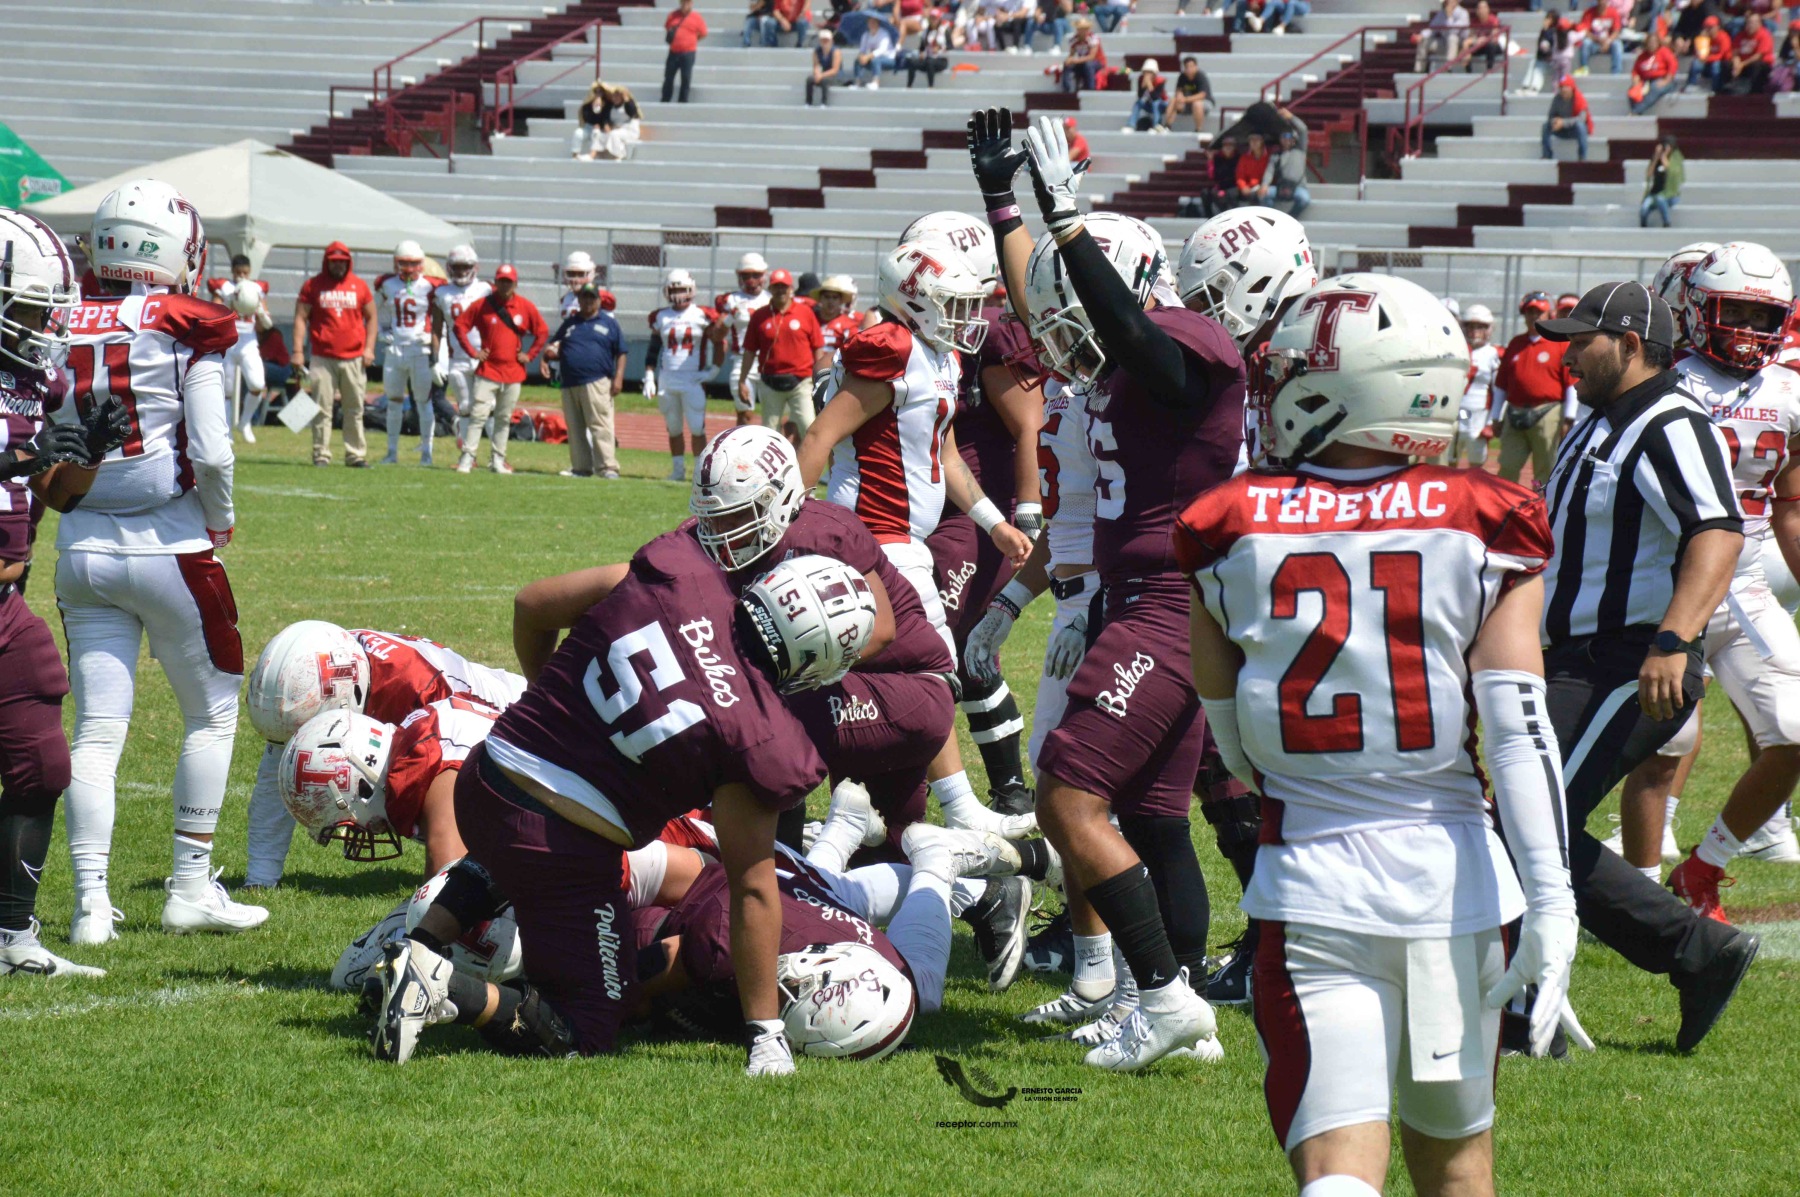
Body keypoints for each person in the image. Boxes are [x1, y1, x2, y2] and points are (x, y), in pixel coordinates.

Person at [1179, 272, 1587, 1195]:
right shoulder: (1484, 518)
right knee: (1456, 1172)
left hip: (1312, 884)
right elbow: (1519, 732)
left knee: (1337, 1174)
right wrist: (1554, 901)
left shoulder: (1229, 521)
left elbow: (1232, 734)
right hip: (1456, 886)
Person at [969, 109, 1245, 1069]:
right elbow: (1064, 309)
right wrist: (1013, 210)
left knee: (1068, 794)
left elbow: (1121, 323)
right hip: (1150, 603)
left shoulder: (1191, 348)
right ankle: (1174, 1003)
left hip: (1166, 606)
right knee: (1157, 820)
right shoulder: (1119, 370)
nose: (1064, 337)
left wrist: (1069, 222)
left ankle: (1162, 996)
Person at [398, 549, 872, 1069]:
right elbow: (753, 885)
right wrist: (764, 1032)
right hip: (557, 845)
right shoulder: (763, 738)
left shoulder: (682, 574)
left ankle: (416, 947)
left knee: (510, 851)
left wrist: (547, 705)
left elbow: (532, 604)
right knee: (587, 1029)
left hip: (485, 777)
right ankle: (442, 986)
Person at [1534, 281, 1761, 1052]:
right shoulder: (1594, 423)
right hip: (1572, 658)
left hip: (1628, 659)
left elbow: (1718, 533)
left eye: (1581, 340)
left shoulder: (1670, 421)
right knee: (1529, 821)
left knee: (1531, 820)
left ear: (1631, 345)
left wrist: (1674, 639)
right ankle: (1696, 952)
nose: (1567, 355)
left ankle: (1534, 1001)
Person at [56, 180, 266, 943]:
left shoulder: (58, 313)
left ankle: (87, 907)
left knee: (97, 732)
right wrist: (223, 518)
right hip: (170, 544)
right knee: (211, 713)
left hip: (80, 546)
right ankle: (187, 887)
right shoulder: (187, 323)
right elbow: (211, 448)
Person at [0, 208, 130, 977]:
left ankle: (12, 937)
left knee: (43, 765)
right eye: (26, 306)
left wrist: (91, 450)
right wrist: (16, 456)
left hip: (8, 605)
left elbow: (59, 491)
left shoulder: (27, 376)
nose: (40, 324)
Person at [1660, 244, 1800, 914]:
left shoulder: (1788, 392)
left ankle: (1704, 867)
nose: (1746, 326)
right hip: (1660, 582)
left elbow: (1792, 505)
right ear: (1697, 308)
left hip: (1745, 584)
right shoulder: (1661, 381)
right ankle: (1632, 886)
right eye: (1733, 308)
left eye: (1761, 314)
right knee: (1663, 744)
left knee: (1796, 731)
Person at [241, 621, 525, 894]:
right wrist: (260, 878)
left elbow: (453, 781)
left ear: (348, 695)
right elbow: (278, 767)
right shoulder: (322, 660)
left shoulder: (415, 687)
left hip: (516, 725)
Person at [452, 265, 548, 476]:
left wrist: (530, 356)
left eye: (509, 281)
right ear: (496, 282)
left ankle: (498, 459)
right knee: (478, 414)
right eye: (501, 281)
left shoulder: (525, 306)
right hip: (488, 370)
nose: (505, 285)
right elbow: (460, 325)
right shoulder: (482, 305)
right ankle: (468, 456)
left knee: (504, 418)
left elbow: (542, 331)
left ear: (515, 283)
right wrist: (473, 352)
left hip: (513, 372)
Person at [293, 241, 378, 468]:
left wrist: (369, 348)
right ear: (326, 262)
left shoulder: (359, 286)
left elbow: (372, 318)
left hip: (354, 357)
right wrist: (298, 350)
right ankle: (321, 453)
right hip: (322, 356)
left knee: (355, 408)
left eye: (342, 262)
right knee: (321, 407)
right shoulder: (313, 285)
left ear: (348, 262)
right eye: (334, 262)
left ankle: (355, 454)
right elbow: (301, 317)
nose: (338, 266)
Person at [1483, 291, 1576, 484]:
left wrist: (1568, 417)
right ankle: (1506, 509)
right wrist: (1495, 417)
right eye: (1530, 312)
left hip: (1547, 411)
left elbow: (1570, 385)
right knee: (1507, 465)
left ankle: (1542, 510)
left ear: (1548, 315)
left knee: (1546, 468)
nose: (1534, 317)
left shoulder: (1559, 342)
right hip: (1514, 411)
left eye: (1538, 313)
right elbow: (1501, 384)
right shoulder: (1516, 343)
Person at [544, 283, 626, 481]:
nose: (588, 301)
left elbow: (621, 352)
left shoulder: (609, 323)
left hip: (597, 381)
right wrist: (545, 357)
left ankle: (608, 467)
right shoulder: (570, 323)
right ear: (578, 300)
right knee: (575, 426)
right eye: (584, 297)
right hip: (570, 381)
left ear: (598, 300)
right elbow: (553, 345)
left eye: (592, 297)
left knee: (600, 424)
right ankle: (581, 467)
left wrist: (619, 378)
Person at [646, 268, 716, 481]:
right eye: (674, 289)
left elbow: (720, 340)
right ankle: (677, 470)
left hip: (692, 378)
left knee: (697, 427)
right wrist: (649, 374)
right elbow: (654, 346)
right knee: (673, 426)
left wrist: (715, 369)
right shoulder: (660, 316)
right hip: (667, 377)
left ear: (691, 290)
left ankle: (699, 473)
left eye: (682, 289)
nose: (677, 293)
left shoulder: (702, 315)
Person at [374, 240, 439, 467]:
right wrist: (381, 332)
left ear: (421, 264)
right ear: (396, 262)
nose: (409, 268)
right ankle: (392, 453)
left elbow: (444, 317)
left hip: (420, 350)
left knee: (423, 401)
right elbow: (371, 311)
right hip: (394, 350)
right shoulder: (387, 284)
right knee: (393, 401)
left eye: (413, 263)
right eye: (404, 263)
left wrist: (432, 338)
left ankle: (427, 453)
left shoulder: (432, 286)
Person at [741, 268, 824, 444]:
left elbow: (818, 348)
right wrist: (743, 380)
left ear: (791, 288)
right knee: (769, 432)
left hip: (800, 382)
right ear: (770, 289)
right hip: (770, 382)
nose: (780, 291)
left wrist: (820, 377)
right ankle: (771, 470)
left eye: (784, 287)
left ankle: (807, 468)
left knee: (808, 426)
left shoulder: (805, 313)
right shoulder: (760, 316)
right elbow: (749, 350)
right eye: (776, 287)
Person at [203, 255, 271, 444]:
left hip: (249, 341)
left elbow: (265, 325)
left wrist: (261, 314)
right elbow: (213, 314)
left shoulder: (256, 288)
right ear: (232, 272)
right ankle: (226, 432)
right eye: (239, 272)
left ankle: (245, 422)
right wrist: (229, 304)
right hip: (229, 342)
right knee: (227, 391)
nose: (242, 276)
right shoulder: (225, 287)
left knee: (257, 384)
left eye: (245, 273)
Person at [431, 245, 490, 448]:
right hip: (458, 358)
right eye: (456, 267)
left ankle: (497, 457)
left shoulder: (486, 289)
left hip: (484, 356)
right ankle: (467, 454)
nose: (461, 271)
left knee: (489, 407)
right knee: (465, 407)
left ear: (475, 267)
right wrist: (435, 359)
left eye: (465, 267)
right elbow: (436, 329)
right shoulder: (442, 293)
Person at [709, 253, 772, 430]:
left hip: (769, 361)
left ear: (764, 275)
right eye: (746, 275)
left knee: (772, 414)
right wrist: (730, 317)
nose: (751, 280)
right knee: (745, 414)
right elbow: (716, 336)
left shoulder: (772, 298)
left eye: (755, 275)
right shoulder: (731, 300)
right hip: (741, 360)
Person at [1451, 303, 1500, 466]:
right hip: (1455, 415)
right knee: (1449, 462)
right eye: (1470, 326)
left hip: (1478, 417)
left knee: (1476, 464)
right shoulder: (1455, 349)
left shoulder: (1494, 354)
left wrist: (1491, 422)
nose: (1474, 331)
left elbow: (1498, 391)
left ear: (1489, 329)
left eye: (1480, 326)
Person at [571, 81, 641, 161]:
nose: (615, 98)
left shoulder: (627, 104)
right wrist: (605, 123)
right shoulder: (609, 106)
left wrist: (626, 99)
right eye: (614, 96)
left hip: (629, 130)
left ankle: (619, 155)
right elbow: (601, 118)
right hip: (612, 129)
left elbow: (633, 113)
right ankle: (587, 156)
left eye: (618, 96)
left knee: (613, 134)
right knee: (597, 134)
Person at [1262, 109, 1311, 217]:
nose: (1286, 139)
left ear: (1294, 140)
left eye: (1289, 137)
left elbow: (1303, 129)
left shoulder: (1300, 150)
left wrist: (1291, 117)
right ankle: (1271, 218)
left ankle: (1291, 217)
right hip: (1281, 188)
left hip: (1298, 188)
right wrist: (1265, 185)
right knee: (1263, 196)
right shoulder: (1276, 155)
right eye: (1283, 137)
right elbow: (1269, 172)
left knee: (1305, 199)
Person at [662, 0, 707, 103]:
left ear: (691, 4)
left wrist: (692, 40)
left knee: (686, 78)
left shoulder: (696, 17)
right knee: (668, 77)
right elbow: (667, 27)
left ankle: (683, 101)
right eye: (683, 2)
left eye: (687, 3)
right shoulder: (673, 15)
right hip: (673, 52)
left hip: (688, 53)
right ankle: (665, 99)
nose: (685, 5)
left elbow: (704, 33)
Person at [1540, 75, 1591, 160]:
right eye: (1561, 87)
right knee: (1545, 126)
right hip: (1560, 129)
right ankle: (1547, 154)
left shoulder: (1579, 99)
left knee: (1580, 126)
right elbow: (1551, 115)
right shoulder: (1557, 99)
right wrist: (1554, 121)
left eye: (1566, 87)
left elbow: (1582, 118)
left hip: (1574, 130)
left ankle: (1582, 157)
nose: (1563, 90)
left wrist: (1563, 122)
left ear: (1571, 88)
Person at [1724, 12, 1775, 92]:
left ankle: (1755, 91)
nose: (1751, 25)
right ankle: (1727, 88)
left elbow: (1759, 56)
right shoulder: (1740, 35)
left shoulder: (1764, 35)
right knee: (1726, 64)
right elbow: (1735, 52)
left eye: (1754, 22)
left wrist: (1742, 64)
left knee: (1757, 66)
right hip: (1743, 64)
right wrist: (1736, 63)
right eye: (1749, 22)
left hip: (1758, 64)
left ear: (1760, 24)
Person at [1640, 134, 1685, 227]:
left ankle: (1666, 222)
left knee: (1660, 199)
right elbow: (1649, 174)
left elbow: (1671, 172)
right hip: (1655, 192)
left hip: (1670, 194)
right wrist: (1656, 157)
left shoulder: (1674, 159)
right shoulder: (1656, 160)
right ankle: (1643, 225)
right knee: (1644, 207)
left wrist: (1664, 156)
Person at [1631, 31, 1682, 111]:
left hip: (1663, 79)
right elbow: (1635, 71)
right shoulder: (1642, 56)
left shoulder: (1664, 52)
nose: (1652, 44)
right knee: (1632, 92)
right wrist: (1636, 81)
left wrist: (1666, 80)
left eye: (1654, 42)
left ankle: (1636, 111)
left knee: (1654, 88)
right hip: (1646, 81)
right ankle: (1636, 110)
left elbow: (1673, 65)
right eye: (1650, 42)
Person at [1415, 0, 1470, 72]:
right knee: (1424, 41)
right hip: (1444, 44)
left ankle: (1448, 68)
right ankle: (1419, 70)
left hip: (1459, 46)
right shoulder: (1441, 14)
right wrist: (1421, 35)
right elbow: (1432, 29)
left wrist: (1449, 16)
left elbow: (1453, 31)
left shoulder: (1463, 13)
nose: (1447, 2)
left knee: (1452, 38)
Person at [1575, 0, 1626, 74]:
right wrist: (1597, 39)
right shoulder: (1589, 13)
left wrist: (1608, 41)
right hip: (1594, 42)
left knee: (1618, 45)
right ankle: (1584, 69)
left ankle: (1616, 72)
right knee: (1585, 43)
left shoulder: (1613, 12)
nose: (1602, 3)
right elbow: (1584, 31)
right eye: (1600, 1)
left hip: (1609, 42)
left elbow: (1616, 31)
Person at [1685, 16, 1732, 90]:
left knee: (1716, 65)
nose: (1708, 30)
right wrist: (1702, 40)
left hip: (1722, 65)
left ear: (1717, 27)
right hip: (1707, 63)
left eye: (1711, 27)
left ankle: (1716, 88)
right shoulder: (1704, 38)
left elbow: (1721, 55)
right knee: (1695, 63)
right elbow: (1698, 54)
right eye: (1706, 27)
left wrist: (1707, 59)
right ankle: (1691, 84)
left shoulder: (1723, 37)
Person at [1167, 57, 1212, 133]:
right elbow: (1178, 91)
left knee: (1197, 104)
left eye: (1191, 66)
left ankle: (1198, 129)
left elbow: (1202, 95)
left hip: (1204, 103)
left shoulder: (1201, 77)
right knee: (1173, 100)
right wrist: (1179, 98)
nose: (1189, 69)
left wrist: (1185, 99)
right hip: (1187, 104)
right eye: (1187, 67)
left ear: (1196, 67)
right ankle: (1167, 125)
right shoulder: (1182, 77)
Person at [1059, 18, 1102, 91]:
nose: (1083, 31)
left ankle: (1091, 88)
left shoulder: (1093, 38)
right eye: (1080, 29)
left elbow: (1092, 57)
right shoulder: (1074, 40)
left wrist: (1076, 60)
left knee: (1088, 65)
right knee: (1067, 64)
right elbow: (1071, 54)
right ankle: (1066, 88)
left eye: (1085, 29)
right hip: (1082, 61)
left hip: (1096, 62)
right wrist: (1068, 60)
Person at [852, 21, 897, 87]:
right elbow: (862, 50)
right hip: (871, 58)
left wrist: (868, 57)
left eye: (873, 22)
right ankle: (857, 82)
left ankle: (876, 82)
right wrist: (861, 56)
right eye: (870, 22)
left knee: (876, 60)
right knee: (858, 60)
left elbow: (882, 50)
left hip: (889, 58)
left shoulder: (884, 34)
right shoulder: (866, 35)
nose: (871, 24)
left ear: (878, 24)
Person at [1127, 59, 1168, 131]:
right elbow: (1140, 96)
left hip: (1161, 104)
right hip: (1149, 104)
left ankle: (1157, 125)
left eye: (1150, 72)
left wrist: (1149, 84)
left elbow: (1156, 97)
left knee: (1155, 103)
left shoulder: (1160, 81)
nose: (1147, 74)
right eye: (1145, 72)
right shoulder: (1141, 79)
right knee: (1138, 103)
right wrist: (1143, 86)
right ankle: (1131, 125)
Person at [806, 29, 844, 105]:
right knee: (809, 80)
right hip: (824, 74)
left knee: (824, 81)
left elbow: (835, 70)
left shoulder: (836, 51)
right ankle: (808, 102)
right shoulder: (817, 51)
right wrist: (817, 74)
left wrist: (821, 75)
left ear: (831, 41)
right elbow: (816, 65)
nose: (825, 42)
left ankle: (824, 102)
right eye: (823, 40)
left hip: (836, 77)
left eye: (827, 40)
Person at [1237, 131, 1271, 203]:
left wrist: (1264, 186)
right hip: (1250, 188)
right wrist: (1243, 187)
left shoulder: (1270, 156)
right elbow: (1240, 176)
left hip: (1265, 187)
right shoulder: (1244, 158)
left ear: (1262, 141)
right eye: (1251, 139)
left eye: (1257, 139)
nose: (1254, 142)